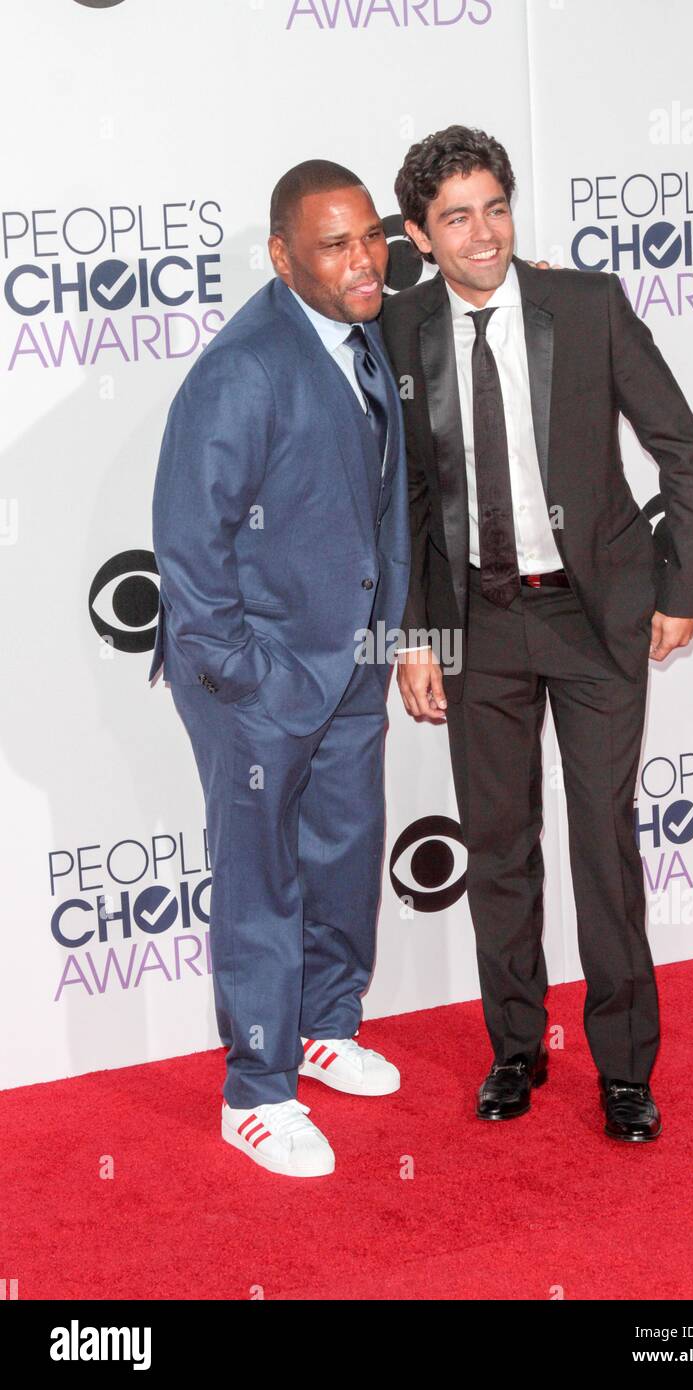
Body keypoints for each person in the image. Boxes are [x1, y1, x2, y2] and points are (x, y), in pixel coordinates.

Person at [381, 125, 693, 1141]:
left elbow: (681, 448)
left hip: (595, 617)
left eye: (495, 207)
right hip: (478, 622)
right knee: (496, 847)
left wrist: (680, 588)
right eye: (457, 218)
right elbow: (404, 497)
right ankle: (515, 1049)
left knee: (604, 845)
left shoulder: (586, 306)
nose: (483, 235)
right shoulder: (402, 333)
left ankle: (622, 1068)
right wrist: (412, 634)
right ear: (419, 234)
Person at [149, 160, 409, 1177]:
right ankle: (255, 1089)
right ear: (281, 255)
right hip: (258, 679)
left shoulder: (363, 332)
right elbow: (187, 538)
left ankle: (323, 1023)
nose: (361, 259)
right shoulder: (243, 367)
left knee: (344, 850)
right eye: (334, 245)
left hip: (352, 659)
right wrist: (236, 672)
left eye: (369, 236)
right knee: (262, 879)